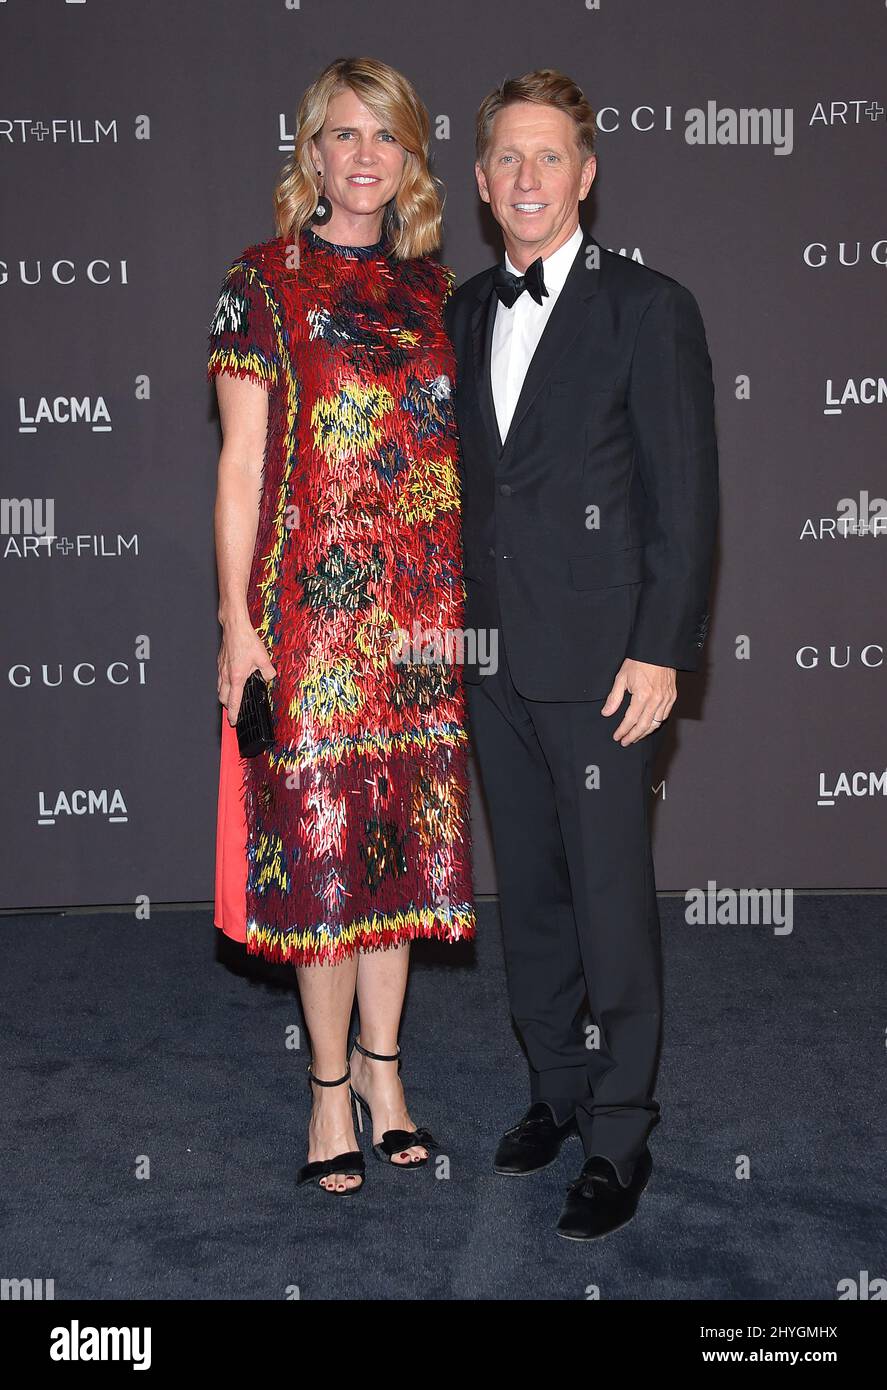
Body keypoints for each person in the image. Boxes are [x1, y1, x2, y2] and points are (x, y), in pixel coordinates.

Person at [445, 69, 718, 1239]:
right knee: (536, 899)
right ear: (479, 178)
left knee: (610, 902)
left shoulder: (649, 308)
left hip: (604, 663)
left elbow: (686, 500)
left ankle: (620, 1129)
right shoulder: (460, 312)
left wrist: (661, 650)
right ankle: (553, 1089)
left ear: (586, 174)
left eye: (547, 156)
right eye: (506, 158)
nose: (525, 179)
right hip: (488, 658)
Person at [208, 57, 476, 1196]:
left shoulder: (438, 292)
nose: (364, 155)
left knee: (402, 857)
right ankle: (326, 1088)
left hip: (420, 621)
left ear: (410, 156)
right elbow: (237, 471)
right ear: (309, 151)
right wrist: (238, 626)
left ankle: (385, 1074)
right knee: (322, 858)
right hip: (306, 617)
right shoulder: (259, 282)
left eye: (387, 136)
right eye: (343, 134)